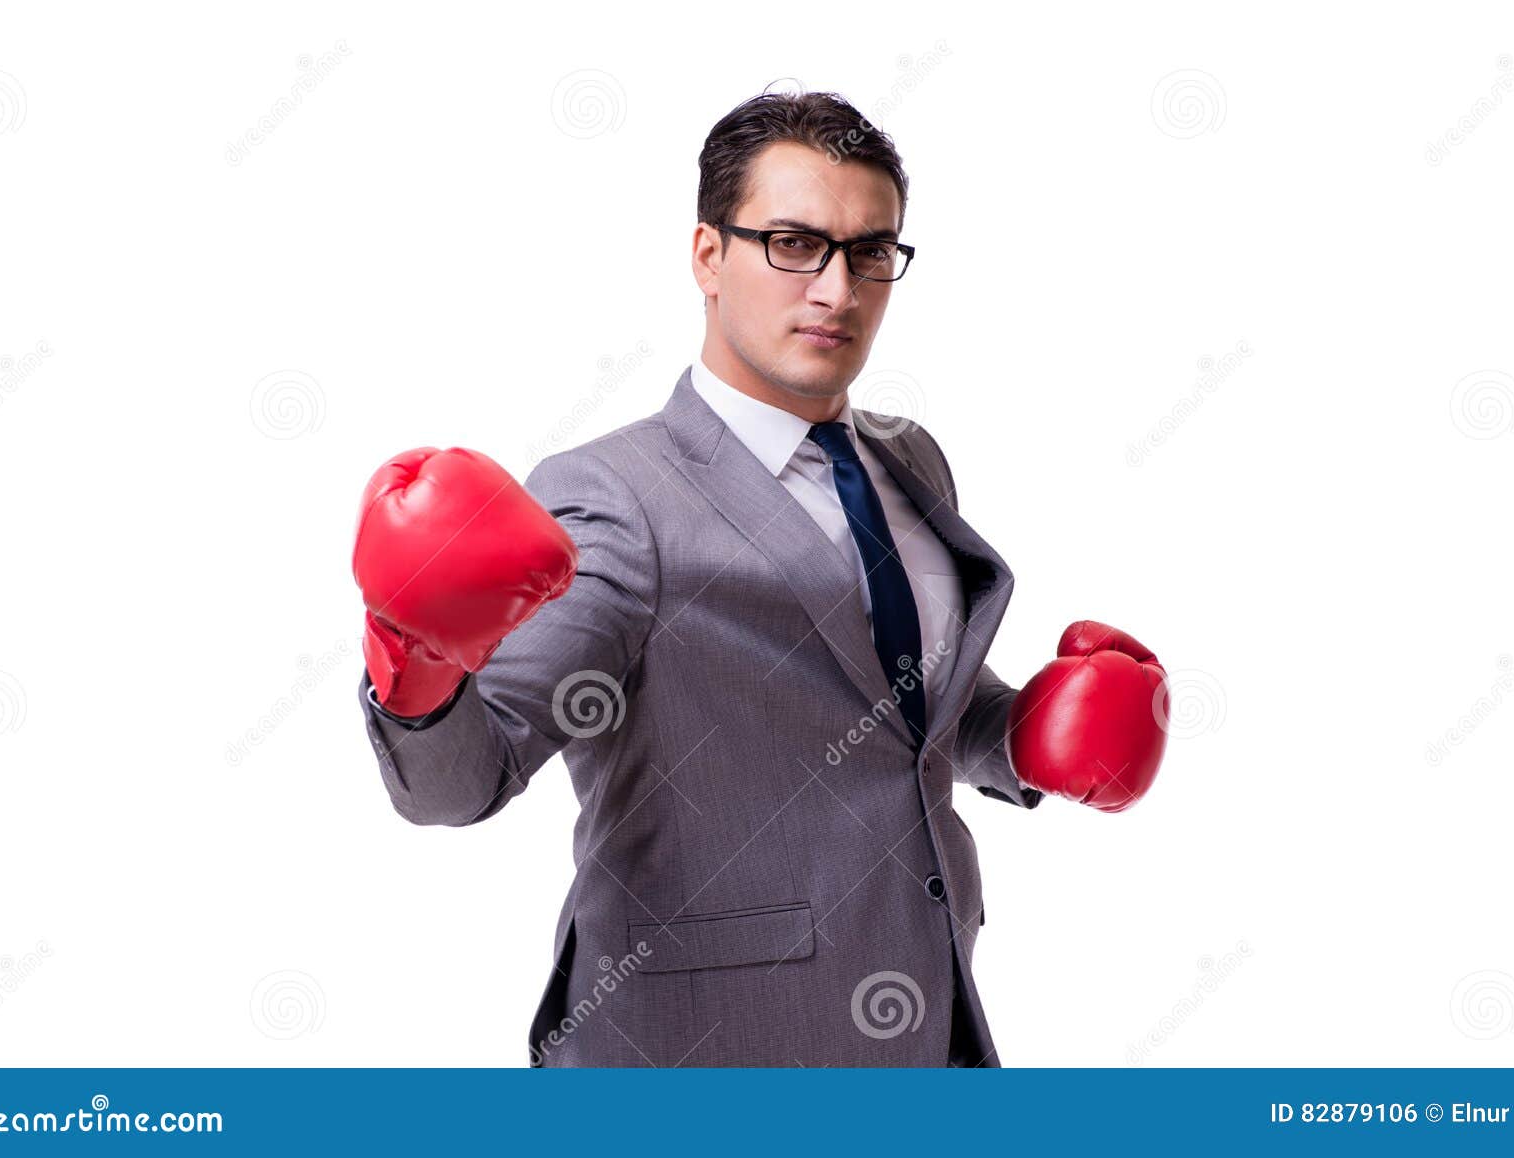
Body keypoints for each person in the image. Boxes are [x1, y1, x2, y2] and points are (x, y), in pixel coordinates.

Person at [351, 89, 1170, 1067]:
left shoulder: (910, 461)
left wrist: (1018, 736)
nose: (835, 290)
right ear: (707, 254)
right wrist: (420, 658)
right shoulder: (614, 499)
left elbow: (898, 701)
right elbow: (464, 782)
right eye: (792, 243)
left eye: (870, 251)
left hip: (933, 1029)